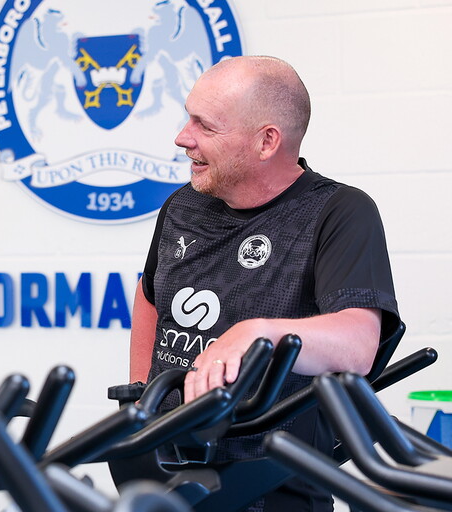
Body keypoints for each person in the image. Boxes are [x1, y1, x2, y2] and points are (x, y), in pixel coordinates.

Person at [129, 56, 400, 512]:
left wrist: (257, 332)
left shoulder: (338, 212)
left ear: (266, 141)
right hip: (168, 473)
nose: (182, 137)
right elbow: (151, 294)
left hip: (272, 484)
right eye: (187, 116)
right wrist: (139, 404)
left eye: (205, 126)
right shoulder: (183, 205)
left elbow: (357, 344)